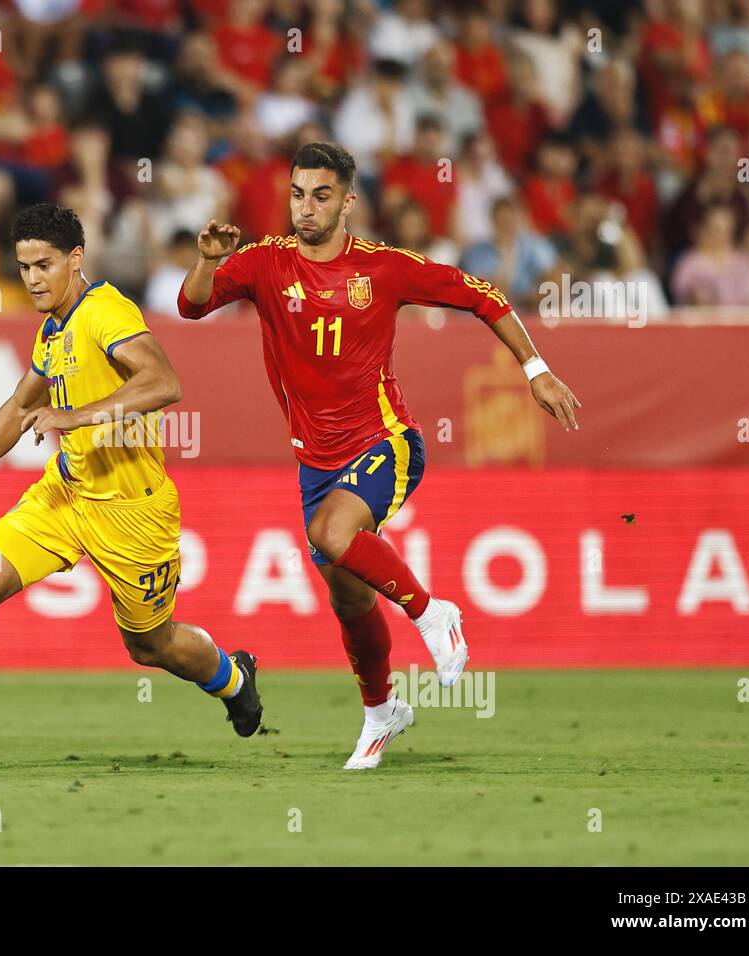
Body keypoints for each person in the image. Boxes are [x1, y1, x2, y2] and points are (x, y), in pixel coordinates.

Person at [178, 142, 581, 770]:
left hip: (386, 443)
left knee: (331, 532)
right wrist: (207, 262)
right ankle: (381, 710)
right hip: (315, 464)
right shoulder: (263, 263)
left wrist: (536, 369)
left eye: (320, 195)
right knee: (350, 601)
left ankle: (433, 612)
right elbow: (192, 304)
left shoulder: (386, 268)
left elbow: (484, 295)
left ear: (348, 200)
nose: (305, 208)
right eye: (297, 194)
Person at [0, 203, 263, 756]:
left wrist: (78, 415)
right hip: (63, 496)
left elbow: (165, 382)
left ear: (76, 258)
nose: (33, 278)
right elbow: (19, 407)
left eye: (43, 265)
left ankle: (234, 679)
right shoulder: (53, 329)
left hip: (132, 512)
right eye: (23, 267)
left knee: (151, 646)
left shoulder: (106, 312)